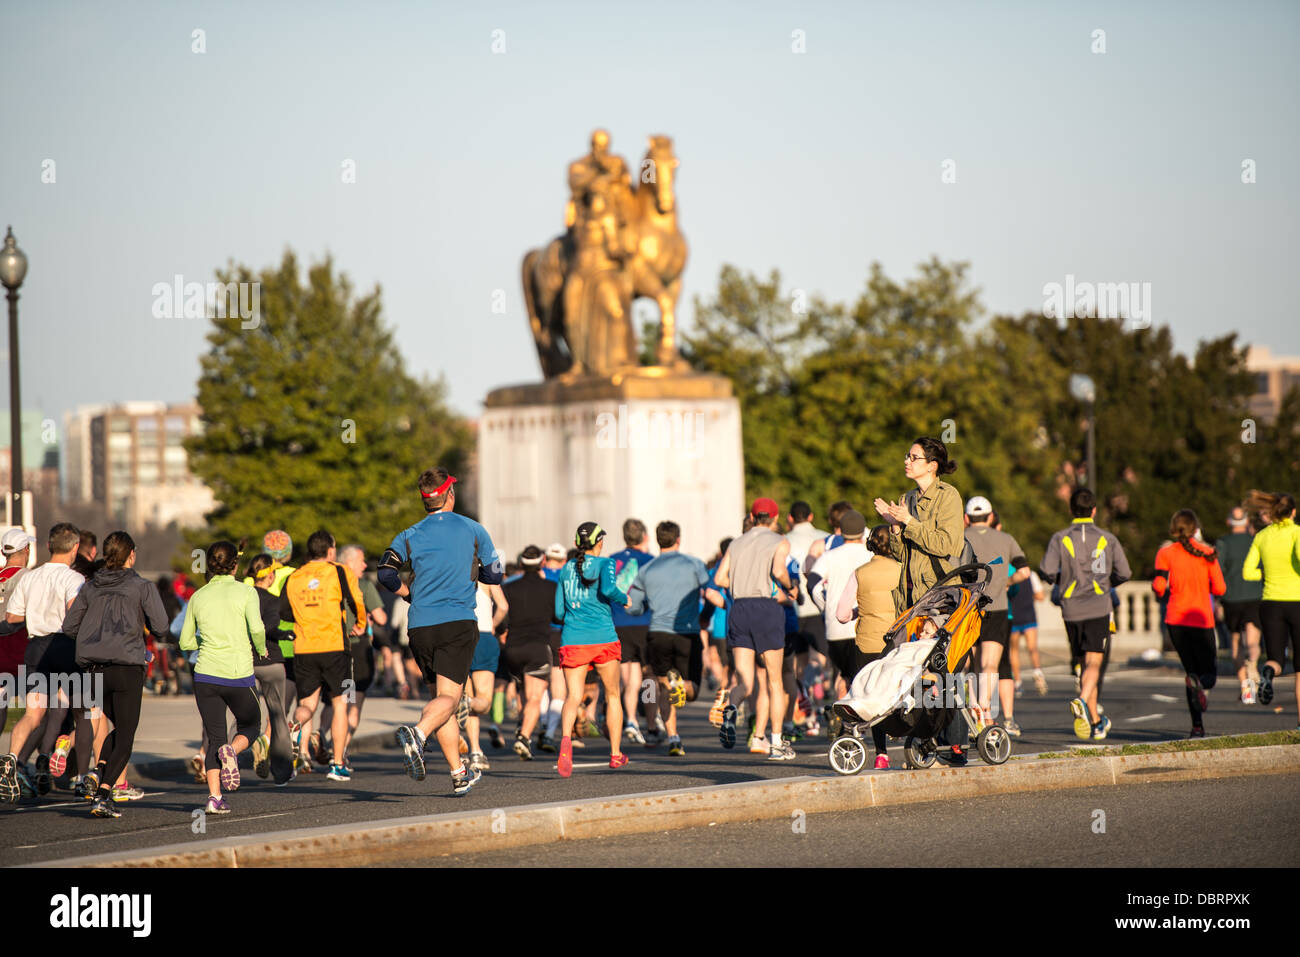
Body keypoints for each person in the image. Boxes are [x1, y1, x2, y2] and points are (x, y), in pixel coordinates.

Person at [381, 468, 503, 796]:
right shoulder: (473, 528)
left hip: (419, 625)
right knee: (450, 698)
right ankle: (418, 735)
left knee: (442, 699)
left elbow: (385, 572)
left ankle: (458, 772)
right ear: (450, 494)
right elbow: (494, 574)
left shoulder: (408, 534)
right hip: (457, 622)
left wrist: (408, 593)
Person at [873, 437, 969, 765]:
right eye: (907, 455)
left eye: (914, 457)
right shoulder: (907, 498)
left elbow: (948, 544)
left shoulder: (949, 497)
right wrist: (895, 529)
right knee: (913, 673)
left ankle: (956, 744)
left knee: (942, 672)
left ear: (932, 465)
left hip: (941, 596)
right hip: (912, 599)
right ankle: (923, 739)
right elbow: (904, 554)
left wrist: (910, 523)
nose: (907, 461)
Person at [62, 531, 171, 818]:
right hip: (126, 667)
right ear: (131, 554)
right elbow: (161, 626)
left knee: (117, 728)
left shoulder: (89, 587)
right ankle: (104, 794)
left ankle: (98, 771)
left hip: (93, 670)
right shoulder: (141, 586)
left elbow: (69, 627)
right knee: (126, 734)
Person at [178, 541, 268, 813]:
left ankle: (214, 798)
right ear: (235, 565)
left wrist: (201, 647)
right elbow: (257, 628)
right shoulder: (246, 592)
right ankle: (233, 751)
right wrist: (261, 649)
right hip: (238, 674)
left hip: (206, 675)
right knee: (251, 725)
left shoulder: (198, 596)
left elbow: (185, 641)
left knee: (215, 736)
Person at [0, 522, 85, 802]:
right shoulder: (74, 579)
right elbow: (74, 619)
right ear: (75, 548)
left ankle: (11, 759)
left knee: (32, 714)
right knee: (84, 711)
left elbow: (12, 618)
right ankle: (82, 774)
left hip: (35, 648)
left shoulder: (30, 578)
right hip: (62, 645)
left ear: (48, 546)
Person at [1040, 487, 1131, 741]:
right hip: (1098, 606)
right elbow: (1125, 573)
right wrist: (1105, 583)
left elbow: (1046, 570)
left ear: (1071, 510)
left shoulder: (1060, 537)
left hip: (1070, 609)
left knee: (1082, 664)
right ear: (1094, 511)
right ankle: (1082, 700)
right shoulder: (1107, 538)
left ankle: (1095, 721)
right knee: (1094, 662)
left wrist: (1064, 579)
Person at [712, 498, 797, 760]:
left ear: (752, 516)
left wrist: (738, 585)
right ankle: (777, 743)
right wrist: (788, 586)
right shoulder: (779, 541)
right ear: (774, 517)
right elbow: (778, 569)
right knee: (774, 680)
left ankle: (731, 706)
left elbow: (718, 579)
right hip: (765, 608)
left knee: (745, 681)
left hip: (738, 609)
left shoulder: (737, 542)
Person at [281, 530, 366, 782]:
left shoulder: (295, 575)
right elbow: (356, 600)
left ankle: (294, 729)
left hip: (304, 647)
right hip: (334, 645)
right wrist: (360, 623)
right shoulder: (339, 571)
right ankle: (337, 764)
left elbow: (283, 611)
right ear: (330, 550)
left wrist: (306, 617)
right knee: (340, 703)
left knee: (306, 704)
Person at [625, 521, 710, 756]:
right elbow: (711, 592)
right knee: (690, 691)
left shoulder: (646, 570)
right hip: (687, 633)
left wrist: (641, 606)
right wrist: (706, 614)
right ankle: (679, 685)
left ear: (657, 539)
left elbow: (634, 608)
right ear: (678, 539)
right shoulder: (694, 564)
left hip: (658, 633)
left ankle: (673, 737)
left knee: (662, 688)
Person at [553, 522, 628, 776]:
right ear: (600, 542)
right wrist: (624, 598)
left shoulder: (565, 570)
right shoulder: (605, 564)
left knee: (573, 696)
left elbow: (558, 612)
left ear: (576, 544)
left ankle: (565, 741)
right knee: (613, 694)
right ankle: (616, 754)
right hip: (603, 638)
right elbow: (608, 589)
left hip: (573, 639)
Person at [834, 525, 904, 767]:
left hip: (867, 641)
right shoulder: (902, 571)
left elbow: (842, 614)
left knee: (872, 696)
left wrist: (859, 611)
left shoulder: (860, 573)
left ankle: (881, 754)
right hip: (898, 642)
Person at [1152, 510, 1226, 737]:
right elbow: (1220, 588)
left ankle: (1197, 726)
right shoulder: (1208, 553)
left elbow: (1159, 585)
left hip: (1176, 620)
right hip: (1201, 619)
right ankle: (1201, 686)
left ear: (1174, 528)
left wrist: (1163, 587)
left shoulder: (1165, 553)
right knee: (1209, 675)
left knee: (1190, 672)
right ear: (1196, 528)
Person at [962, 496, 1031, 737]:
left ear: (966, 518)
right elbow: (1024, 571)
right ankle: (984, 708)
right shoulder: (1006, 539)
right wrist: (1005, 582)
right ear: (991, 517)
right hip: (997, 606)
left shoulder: (961, 538)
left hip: (969, 608)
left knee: (970, 662)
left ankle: (973, 711)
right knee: (990, 663)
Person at [316, 544, 388, 770]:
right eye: (361, 561)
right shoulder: (363, 585)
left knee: (335, 700)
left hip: (333, 647)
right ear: (349, 563)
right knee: (352, 704)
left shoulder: (329, 583)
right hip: (357, 649)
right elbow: (382, 618)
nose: (365, 565)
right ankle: (341, 752)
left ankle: (319, 734)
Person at [1241, 490, 1300, 727]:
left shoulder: (1262, 536)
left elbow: (1247, 572)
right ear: (1293, 512)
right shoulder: (1297, 532)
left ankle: (1267, 673)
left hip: (1270, 604)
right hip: (1297, 601)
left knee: (1275, 658)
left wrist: (1267, 573)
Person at [502, 545, 557, 759]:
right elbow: (558, 617)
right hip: (537, 647)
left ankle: (522, 724)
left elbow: (503, 616)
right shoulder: (551, 587)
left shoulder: (509, 587)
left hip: (513, 649)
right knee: (535, 697)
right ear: (543, 562)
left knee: (524, 694)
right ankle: (524, 737)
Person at [245, 554, 295, 785]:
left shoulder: (242, 597)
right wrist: (284, 634)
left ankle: (229, 759)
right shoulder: (272, 600)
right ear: (271, 575)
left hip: (243, 662)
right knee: (278, 716)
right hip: (270, 661)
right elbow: (270, 627)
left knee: (241, 715)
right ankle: (282, 772)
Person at [608, 519, 656, 746]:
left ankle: (631, 720)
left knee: (629, 679)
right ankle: (653, 722)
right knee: (650, 675)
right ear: (644, 537)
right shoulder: (650, 561)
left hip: (618, 623)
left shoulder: (611, 560)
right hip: (644, 621)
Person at [1217, 507, 1265, 703]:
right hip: (1254, 595)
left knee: (1235, 642)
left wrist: (1217, 599)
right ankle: (1252, 662)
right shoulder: (1256, 540)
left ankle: (1245, 688)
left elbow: (1217, 570)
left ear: (1229, 522)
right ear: (1246, 522)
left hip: (1231, 597)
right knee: (1252, 640)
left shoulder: (1223, 543)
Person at [463, 580, 508, 771]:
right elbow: (503, 606)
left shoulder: (456, 571)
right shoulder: (485, 576)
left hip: (459, 637)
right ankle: (463, 703)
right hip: (483, 636)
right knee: (483, 702)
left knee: (468, 698)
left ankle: (475, 750)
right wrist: (494, 625)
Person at [1008, 565, 1048, 697]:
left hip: (1013, 616)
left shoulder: (1008, 574)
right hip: (1028, 616)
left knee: (1014, 650)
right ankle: (1038, 674)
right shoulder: (1032, 575)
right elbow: (1040, 595)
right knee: (1032, 648)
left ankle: (1018, 682)